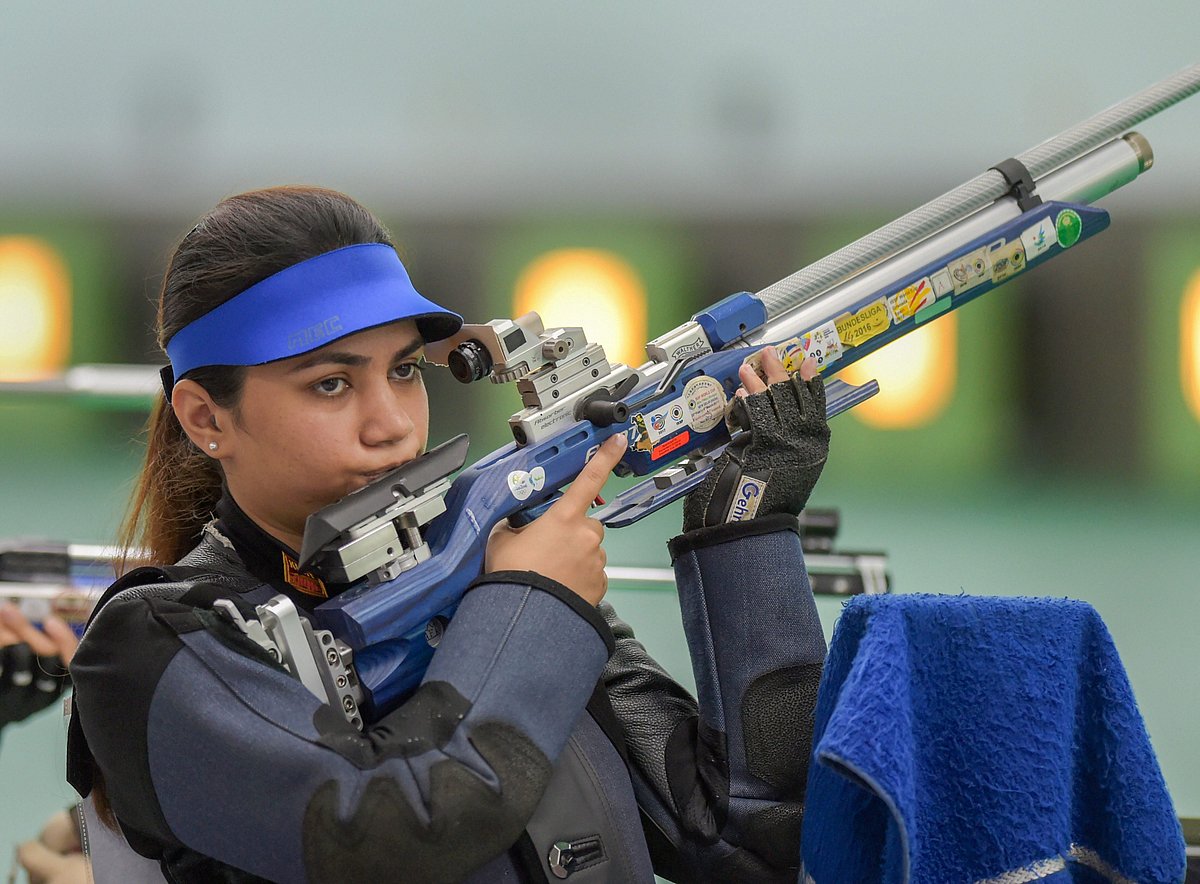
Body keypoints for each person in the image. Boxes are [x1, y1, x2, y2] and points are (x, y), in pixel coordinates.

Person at [65, 186, 831, 883]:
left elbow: (747, 844)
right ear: (206, 417)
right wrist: (532, 601)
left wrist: (747, 527)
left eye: (404, 372)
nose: (393, 424)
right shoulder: (151, 642)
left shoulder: (479, 570)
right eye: (331, 384)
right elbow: (392, 835)